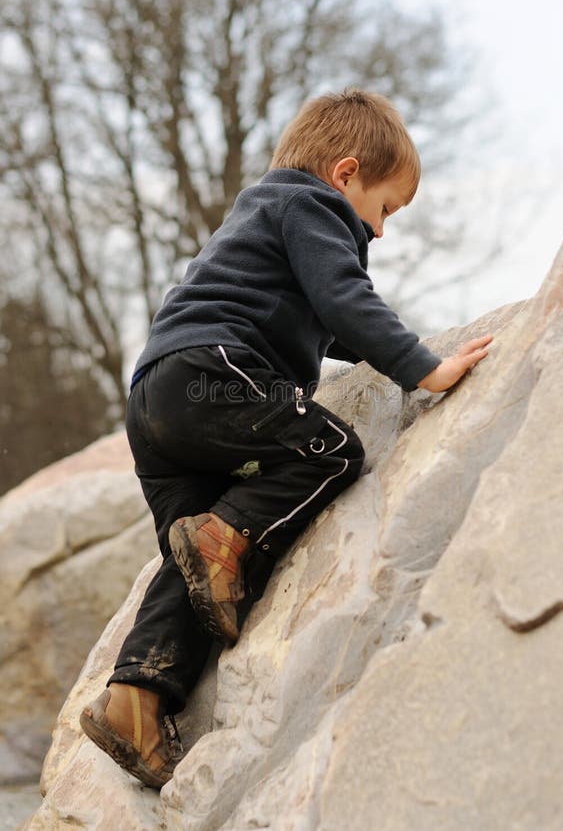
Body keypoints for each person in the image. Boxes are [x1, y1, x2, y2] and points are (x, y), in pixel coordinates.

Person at [80, 89, 492, 788]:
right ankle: (226, 536)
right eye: (385, 208)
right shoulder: (312, 206)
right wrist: (421, 365)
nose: (382, 232)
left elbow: (320, 325)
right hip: (216, 373)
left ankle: (136, 700)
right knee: (332, 451)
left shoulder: (258, 216)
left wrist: (357, 350)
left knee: (195, 570)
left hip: (160, 397)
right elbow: (344, 299)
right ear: (345, 174)